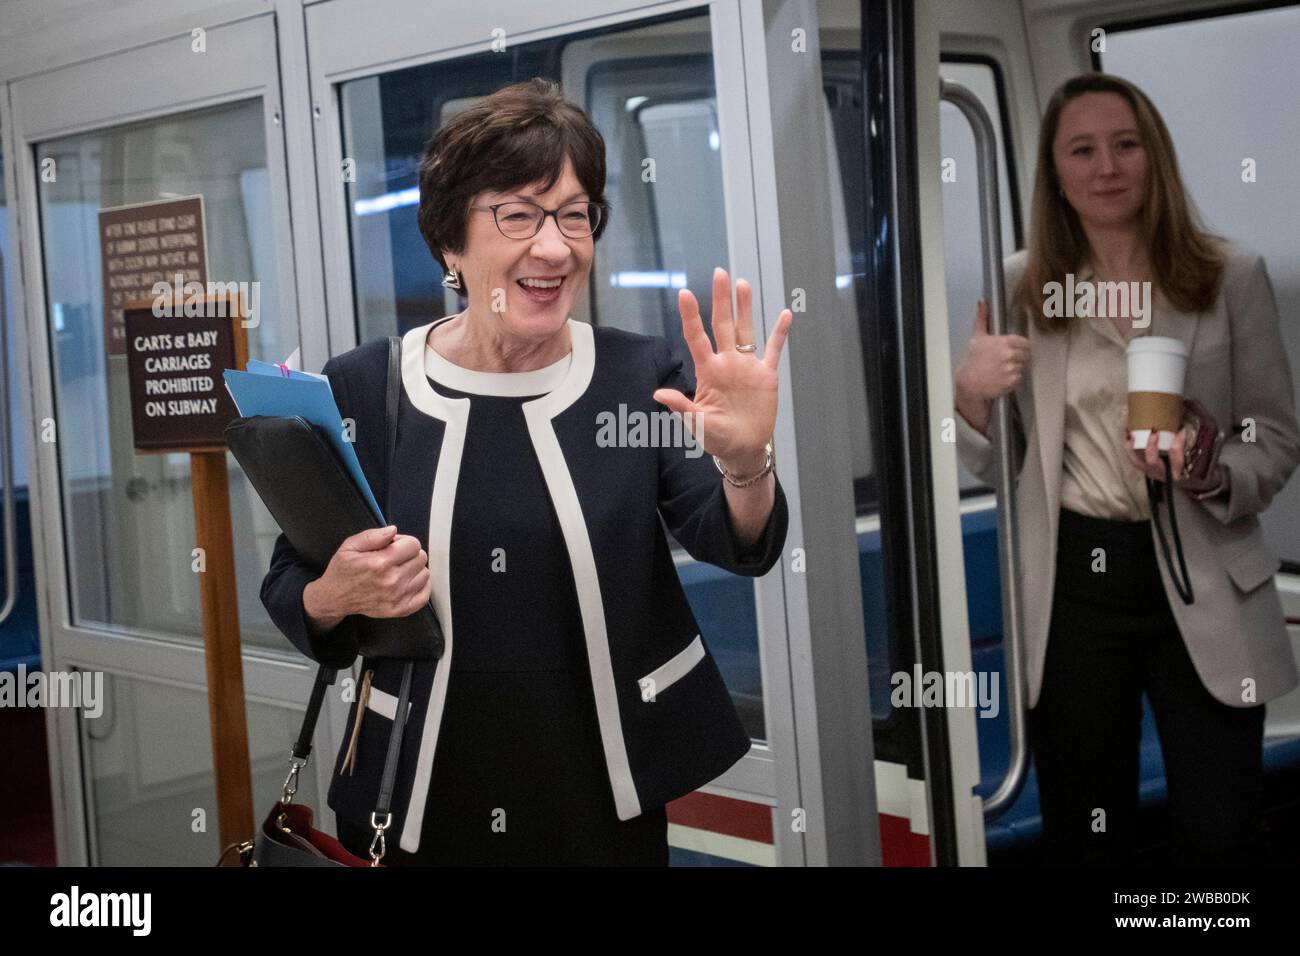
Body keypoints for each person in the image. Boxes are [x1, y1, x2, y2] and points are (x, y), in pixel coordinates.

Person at [260, 77, 792, 866]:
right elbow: (291, 581)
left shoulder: (639, 374)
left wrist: (747, 463)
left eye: (574, 215)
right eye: (517, 214)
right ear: (449, 241)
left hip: (602, 798)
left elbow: (733, 542)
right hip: (409, 801)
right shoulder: (366, 386)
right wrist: (336, 595)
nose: (555, 246)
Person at [953, 72, 1300, 866]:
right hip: (1074, 580)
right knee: (1087, 824)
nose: (1106, 166)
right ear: (1056, 172)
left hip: (1203, 566)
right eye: (1083, 150)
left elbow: (1275, 438)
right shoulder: (1023, 285)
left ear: (1155, 158)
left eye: (1125, 144)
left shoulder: (1227, 274)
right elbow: (1002, 465)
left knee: (1219, 831)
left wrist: (1213, 469)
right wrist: (968, 398)